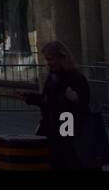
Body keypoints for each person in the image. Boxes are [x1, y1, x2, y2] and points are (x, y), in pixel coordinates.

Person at [19, 39, 93, 169]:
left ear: (62, 58)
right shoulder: (52, 77)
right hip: (51, 126)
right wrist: (29, 97)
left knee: (67, 159)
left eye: (51, 59)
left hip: (67, 123)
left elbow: (82, 103)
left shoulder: (74, 77)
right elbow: (47, 100)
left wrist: (75, 99)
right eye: (47, 60)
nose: (49, 63)